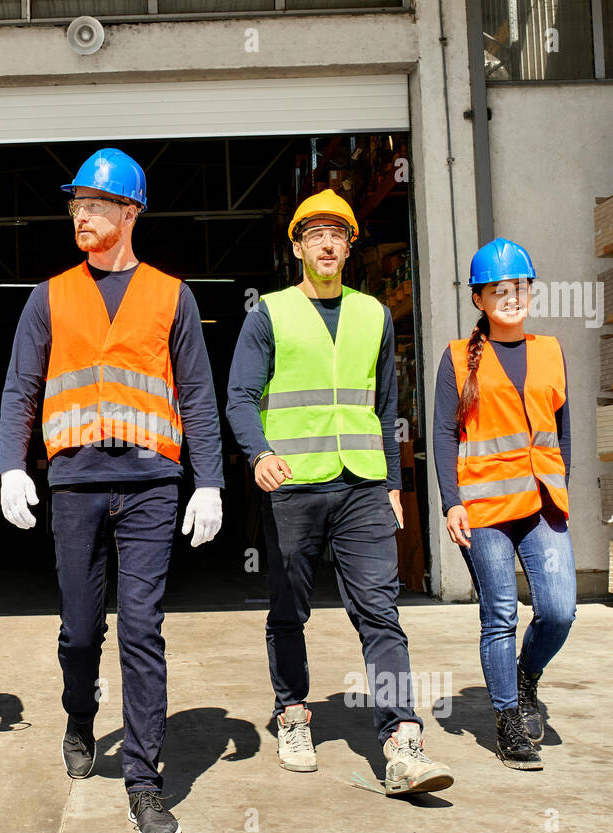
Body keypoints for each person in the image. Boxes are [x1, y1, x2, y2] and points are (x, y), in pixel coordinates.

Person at [0, 147, 224, 833]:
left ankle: (146, 783)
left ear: (130, 213)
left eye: (94, 205)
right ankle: (77, 716)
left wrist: (209, 481)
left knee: (142, 628)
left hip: (152, 484)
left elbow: (198, 396)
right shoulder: (49, 295)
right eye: (75, 206)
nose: (81, 216)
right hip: (75, 485)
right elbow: (22, 387)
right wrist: (11, 464)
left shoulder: (171, 294)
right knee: (80, 628)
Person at [225, 190, 453, 794]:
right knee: (289, 610)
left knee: (380, 612)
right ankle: (293, 712)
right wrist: (260, 454)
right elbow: (240, 398)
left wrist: (395, 484)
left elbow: (385, 407)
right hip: (293, 485)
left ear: (349, 247)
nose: (327, 244)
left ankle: (402, 738)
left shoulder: (374, 315)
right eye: (315, 234)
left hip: (363, 487)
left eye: (339, 234)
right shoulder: (267, 315)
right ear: (296, 246)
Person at [432, 237, 574, 771]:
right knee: (500, 612)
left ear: (530, 291)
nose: (511, 297)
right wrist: (451, 503)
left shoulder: (552, 351)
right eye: (499, 290)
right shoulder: (455, 358)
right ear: (480, 300)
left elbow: (562, 431)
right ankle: (509, 720)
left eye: (519, 287)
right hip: (485, 509)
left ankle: (526, 674)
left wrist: (565, 487)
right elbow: (444, 435)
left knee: (560, 610)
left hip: (543, 505)